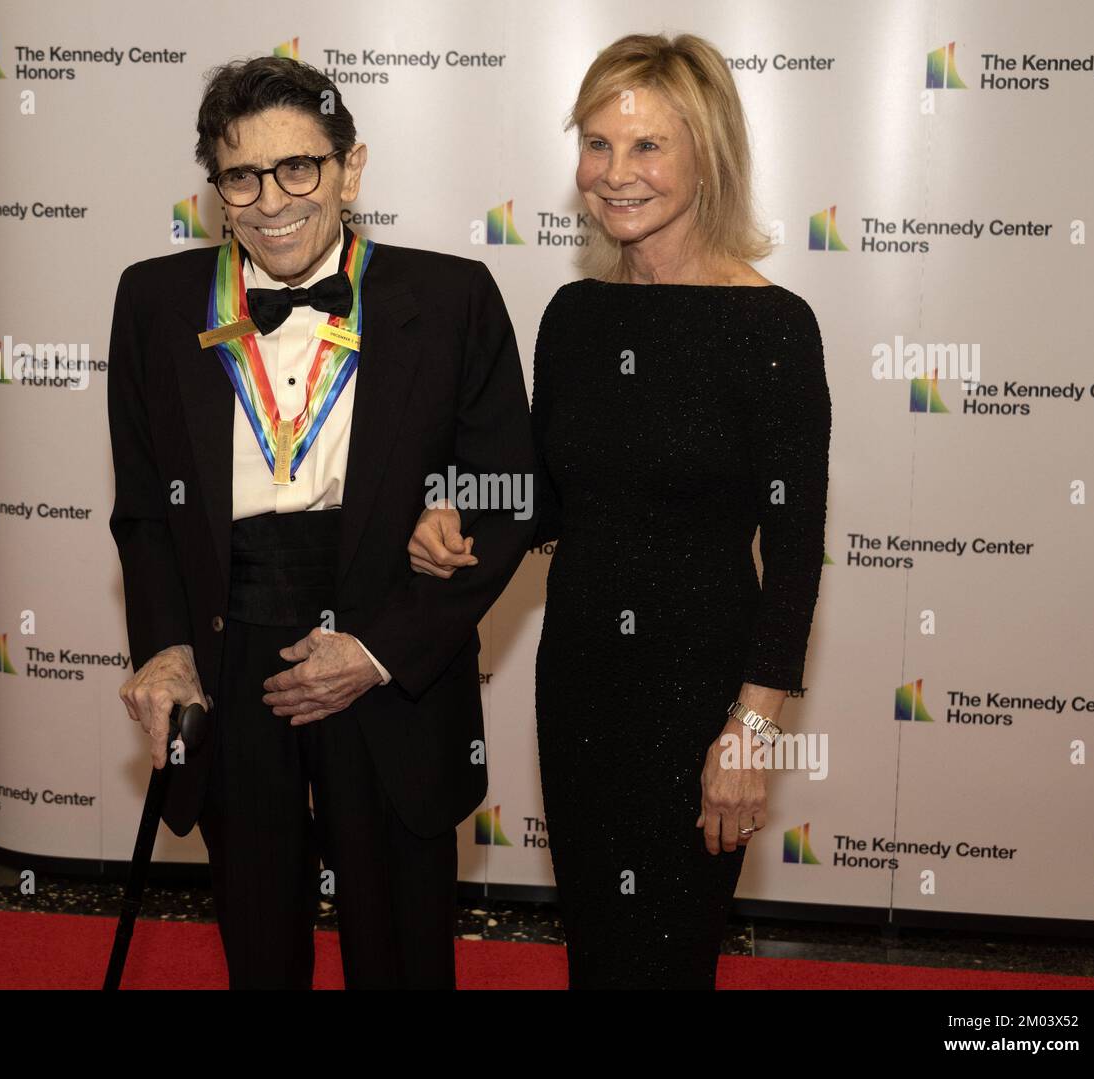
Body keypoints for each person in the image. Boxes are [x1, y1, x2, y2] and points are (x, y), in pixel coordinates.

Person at [408, 32, 831, 989]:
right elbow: (545, 496)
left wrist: (750, 730)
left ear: (706, 155)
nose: (614, 172)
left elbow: (796, 551)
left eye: (647, 146)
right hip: (582, 680)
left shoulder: (772, 327)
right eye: (597, 145)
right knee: (598, 949)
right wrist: (454, 513)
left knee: (668, 960)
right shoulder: (575, 317)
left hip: (703, 696)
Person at [107, 56, 536, 989]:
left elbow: (512, 489)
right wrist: (166, 648)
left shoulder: (453, 297)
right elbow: (144, 511)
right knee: (259, 944)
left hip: (389, 645)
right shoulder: (152, 302)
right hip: (231, 659)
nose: (272, 202)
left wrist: (381, 644)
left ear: (351, 165)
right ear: (214, 186)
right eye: (242, 176)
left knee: (401, 949)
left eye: (299, 167)